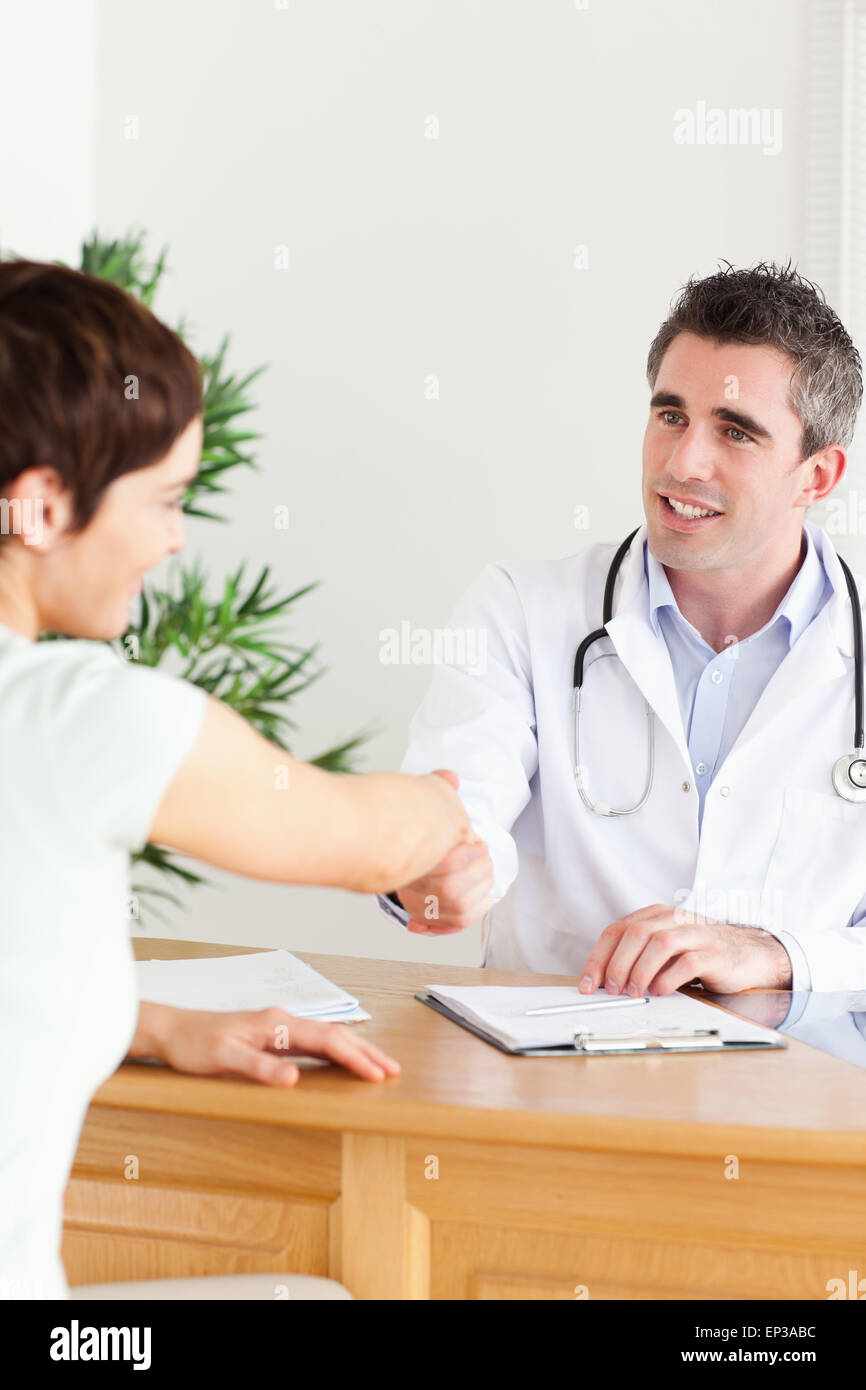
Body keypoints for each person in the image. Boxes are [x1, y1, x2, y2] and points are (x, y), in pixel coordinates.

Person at [0, 259, 473, 1299]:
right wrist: (449, 800)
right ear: (37, 509)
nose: (173, 540)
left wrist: (155, 1021)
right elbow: (366, 840)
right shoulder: (72, 713)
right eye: (164, 499)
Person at [380, 262, 866, 1000]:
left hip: (807, 1094)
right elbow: (456, 816)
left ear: (818, 477)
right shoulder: (520, 610)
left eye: (735, 432)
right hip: (553, 1082)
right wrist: (434, 866)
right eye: (671, 415)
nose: (681, 462)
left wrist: (777, 956)